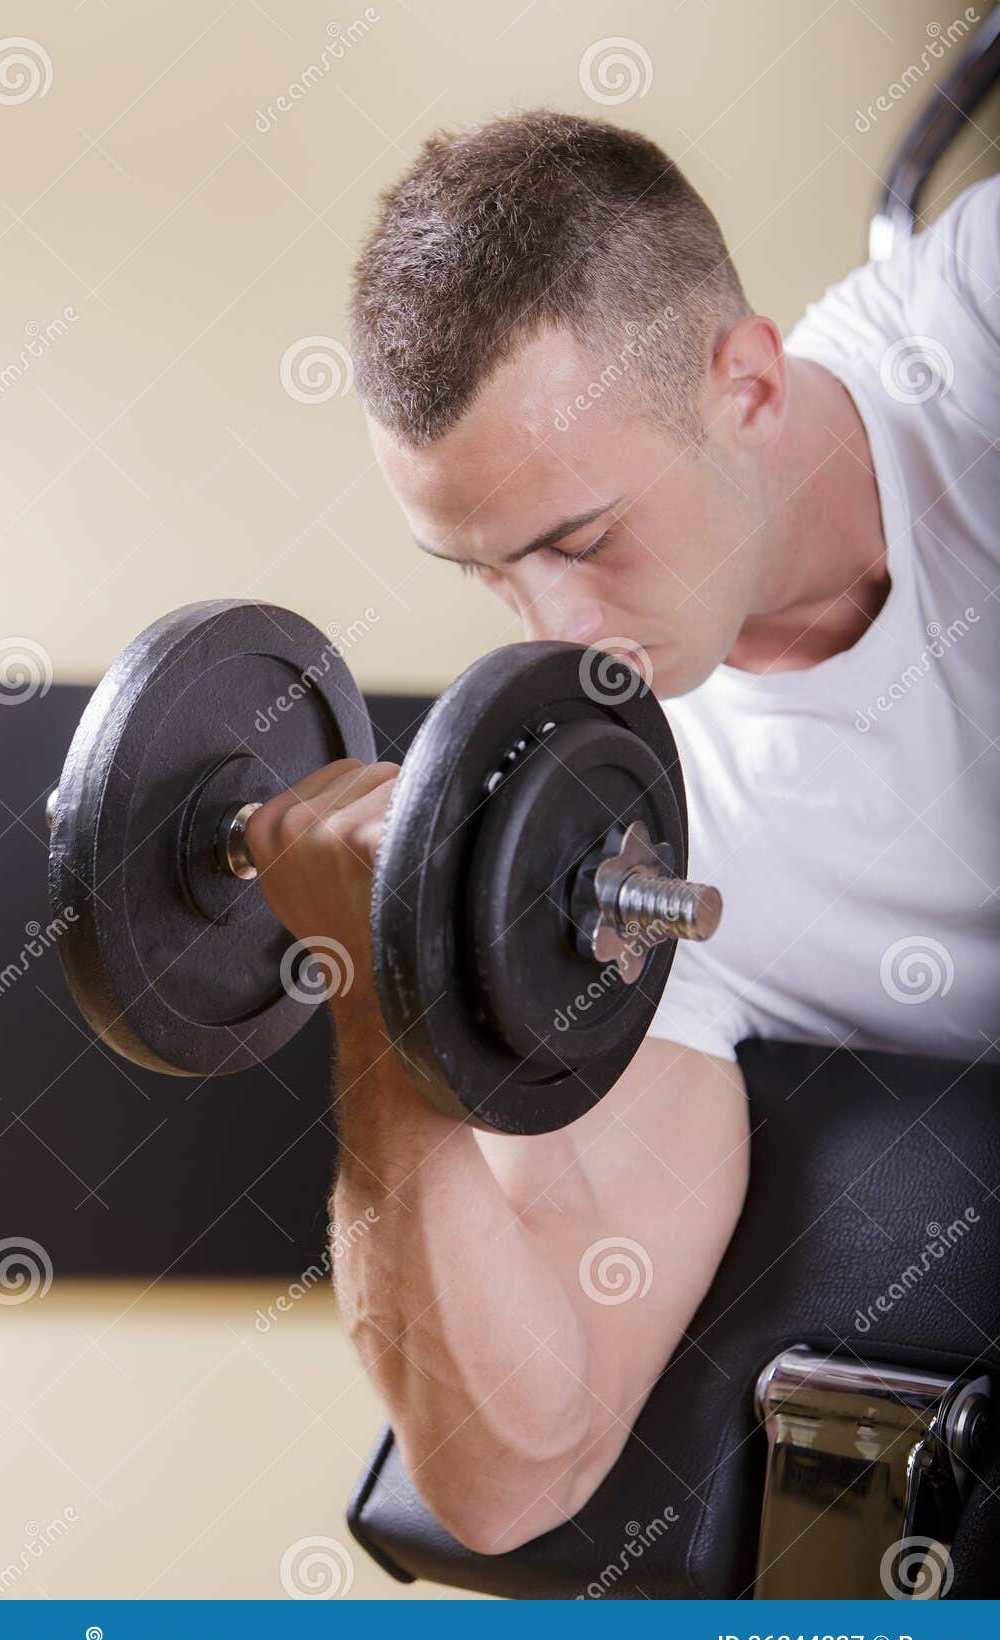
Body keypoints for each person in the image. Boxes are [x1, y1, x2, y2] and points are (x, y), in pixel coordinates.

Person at [245, 111, 999, 1554]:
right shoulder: (632, 824)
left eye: (583, 541)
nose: (558, 634)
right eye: (487, 571)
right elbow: (512, 1470)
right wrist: (383, 1000)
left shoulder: (976, 324)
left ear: (748, 384)